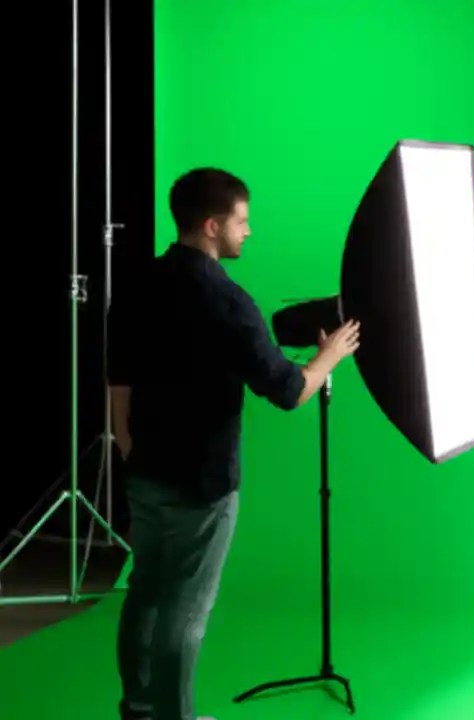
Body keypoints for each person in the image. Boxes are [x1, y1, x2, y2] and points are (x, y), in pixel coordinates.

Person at [107, 167, 361, 720]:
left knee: (145, 592)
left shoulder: (136, 286)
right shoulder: (228, 300)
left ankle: (139, 709)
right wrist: (330, 355)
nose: (248, 231)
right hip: (203, 484)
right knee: (185, 609)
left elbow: (118, 378)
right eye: (242, 222)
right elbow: (290, 390)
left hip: (145, 470)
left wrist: (128, 446)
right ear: (212, 224)